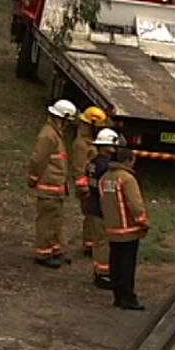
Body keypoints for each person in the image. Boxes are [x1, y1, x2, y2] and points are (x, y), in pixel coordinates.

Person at [28, 98, 77, 268]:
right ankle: (43, 253)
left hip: (56, 187)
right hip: (48, 187)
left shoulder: (56, 134)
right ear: (60, 118)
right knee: (47, 221)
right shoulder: (48, 135)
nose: (67, 125)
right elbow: (38, 159)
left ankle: (55, 249)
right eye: (67, 121)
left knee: (56, 220)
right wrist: (33, 177)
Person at [100, 146, 149, 310]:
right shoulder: (127, 179)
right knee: (127, 265)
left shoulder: (105, 178)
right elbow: (135, 204)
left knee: (115, 263)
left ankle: (118, 296)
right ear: (128, 161)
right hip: (128, 230)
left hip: (112, 229)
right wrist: (143, 222)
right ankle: (128, 298)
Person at [84, 128, 121, 289]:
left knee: (100, 241)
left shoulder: (93, 162)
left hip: (92, 204)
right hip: (100, 208)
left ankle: (101, 272)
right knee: (103, 243)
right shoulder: (105, 166)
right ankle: (103, 275)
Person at [71, 105, 109, 257]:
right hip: (87, 187)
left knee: (92, 216)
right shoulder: (81, 145)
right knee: (90, 215)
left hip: (93, 186)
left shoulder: (91, 142)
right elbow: (79, 168)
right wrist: (84, 188)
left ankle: (90, 243)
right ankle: (89, 244)